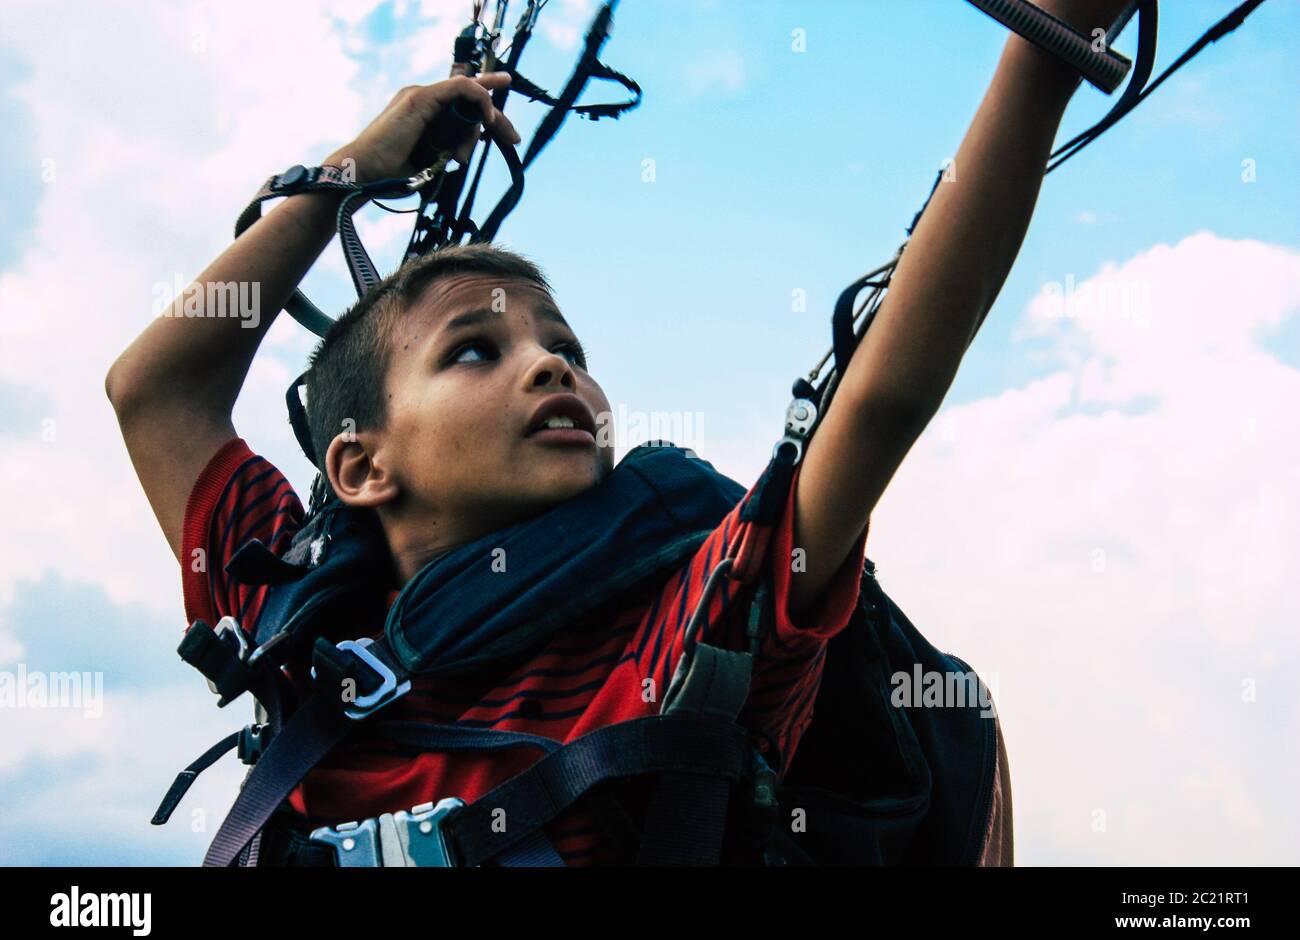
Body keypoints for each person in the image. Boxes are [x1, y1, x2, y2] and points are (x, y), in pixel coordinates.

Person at [105, 0, 1126, 865]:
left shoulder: (684, 610)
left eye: (564, 344)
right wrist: (349, 171)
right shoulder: (293, 613)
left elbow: (878, 401)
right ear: (361, 465)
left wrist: (1045, 49)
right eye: (474, 351)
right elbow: (154, 389)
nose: (551, 364)